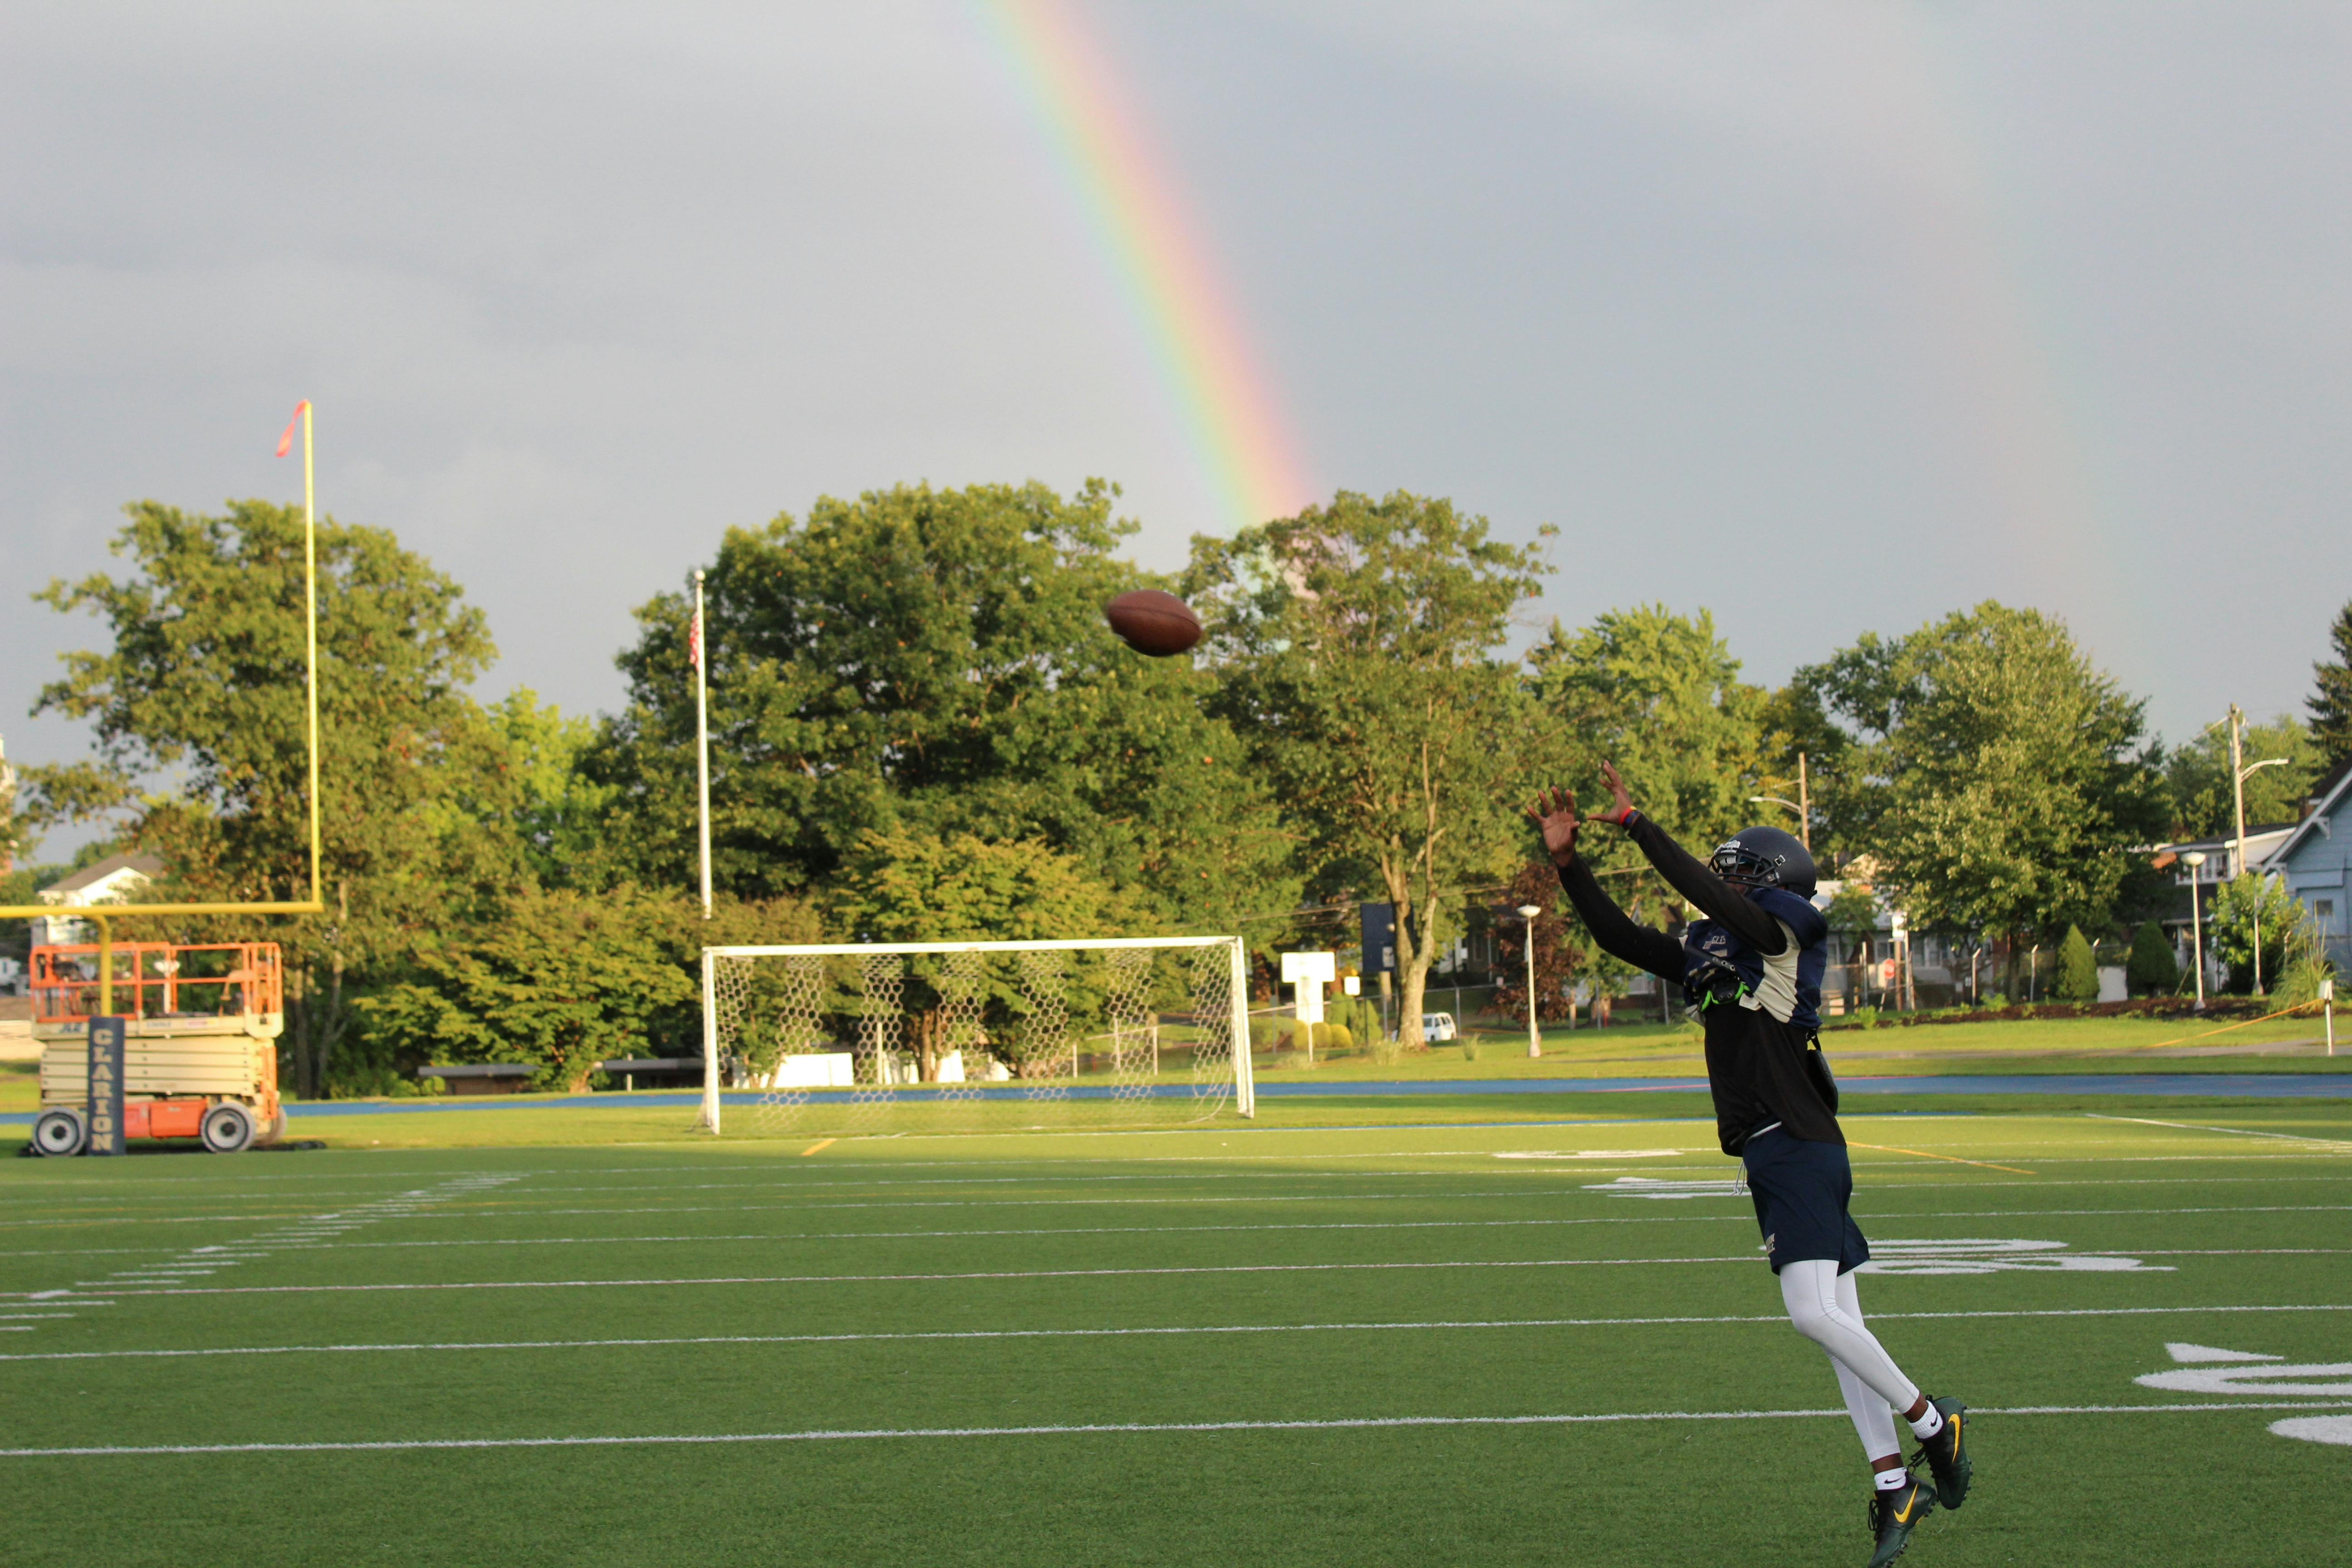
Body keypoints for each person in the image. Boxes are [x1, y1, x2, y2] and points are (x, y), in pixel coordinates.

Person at [1527, 763, 1972, 1568]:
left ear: (1769, 882)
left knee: (1810, 1314)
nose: (1723, 880)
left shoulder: (1779, 938)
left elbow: (1720, 902)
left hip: (1795, 1142)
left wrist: (1638, 825)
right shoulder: (1722, 955)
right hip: (1782, 1146)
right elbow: (1621, 939)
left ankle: (1934, 1423)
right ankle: (1889, 1488)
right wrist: (1570, 868)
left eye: (1736, 869)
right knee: (1843, 1331)